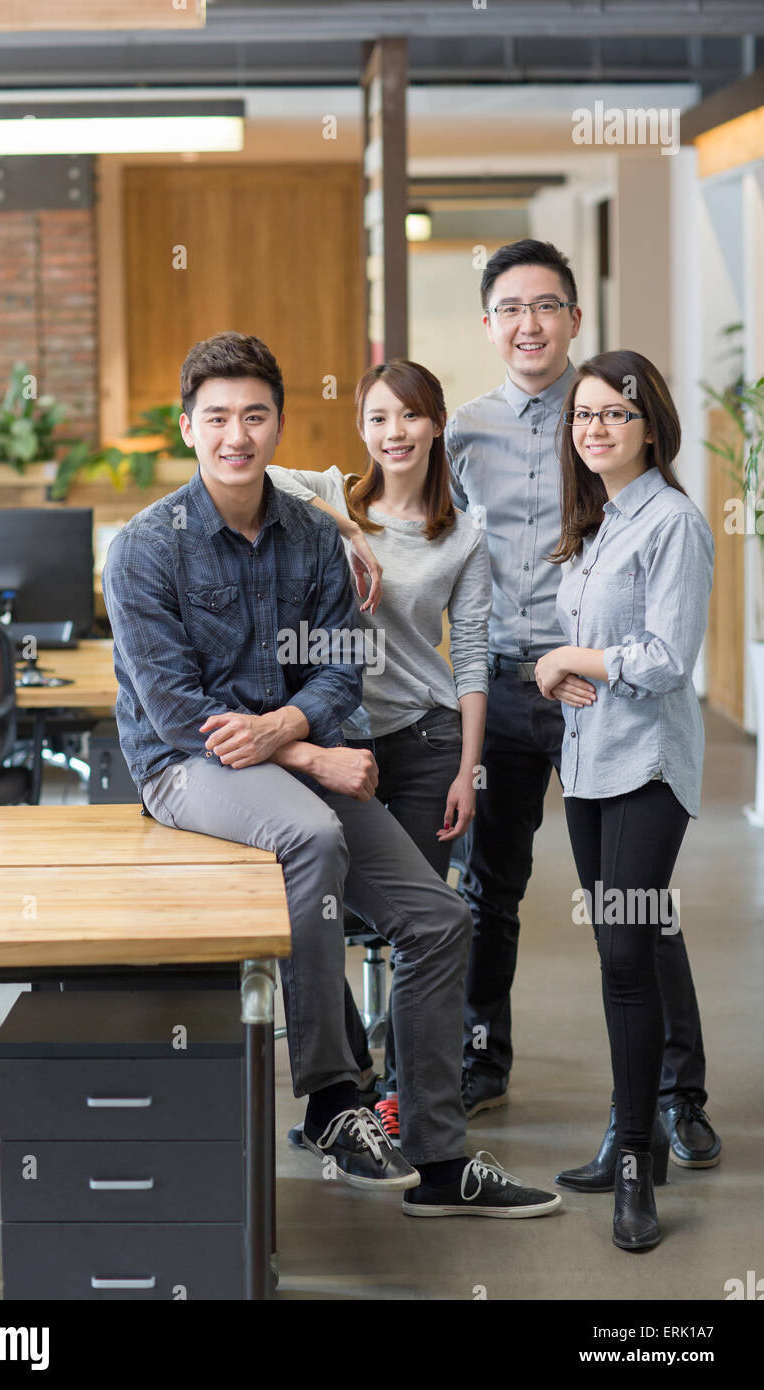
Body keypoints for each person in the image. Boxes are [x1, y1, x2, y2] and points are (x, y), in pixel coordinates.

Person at [102, 329, 561, 1218]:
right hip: (184, 766)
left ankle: (437, 1159)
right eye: (218, 418)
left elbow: (341, 669)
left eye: (256, 416)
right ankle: (332, 1100)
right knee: (311, 833)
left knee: (437, 918)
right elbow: (172, 710)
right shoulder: (146, 546)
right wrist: (308, 748)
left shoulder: (314, 536)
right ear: (188, 428)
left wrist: (287, 726)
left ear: (278, 424)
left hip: (277, 754)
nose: (238, 435)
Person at [447, 238, 721, 1174]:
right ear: (490, 325)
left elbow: (661, 622)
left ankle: (678, 1095)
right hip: (515, 680)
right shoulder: (464, 430)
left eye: (547, 305)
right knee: (494, 885)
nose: (529, 323)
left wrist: (585, 660)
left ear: (572, 318)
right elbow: (439, 539)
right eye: (510, 308)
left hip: (606, 687)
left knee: (637, 902)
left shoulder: (606, 411)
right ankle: (483, 1060)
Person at [267, 358, 491, 1146]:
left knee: (419, 927)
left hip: (427, 739)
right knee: (318, 908)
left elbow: (468, 657)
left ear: (436, 424)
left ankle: (404, 1097)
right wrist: (348, 528)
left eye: (409, 417)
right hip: (337, 739)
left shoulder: (464, 535)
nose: (394, 433)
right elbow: (254, 467)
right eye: (378, 419)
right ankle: (346, 1091)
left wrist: (468, 767)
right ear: (362, 429)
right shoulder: (331, 494)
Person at [534, 350, 714, 1249]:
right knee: (617, 956)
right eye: (582, 416)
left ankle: (637, 1168)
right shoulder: (597, 524)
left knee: (625, 959)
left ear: (651, 426)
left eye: (613, 413)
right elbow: (580, 644)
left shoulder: (673, 523)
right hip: (588, 767)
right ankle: (626, 1134)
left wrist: (572, 662)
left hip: (647, 769)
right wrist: (551, 663)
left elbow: (664, 659)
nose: (594, 428)